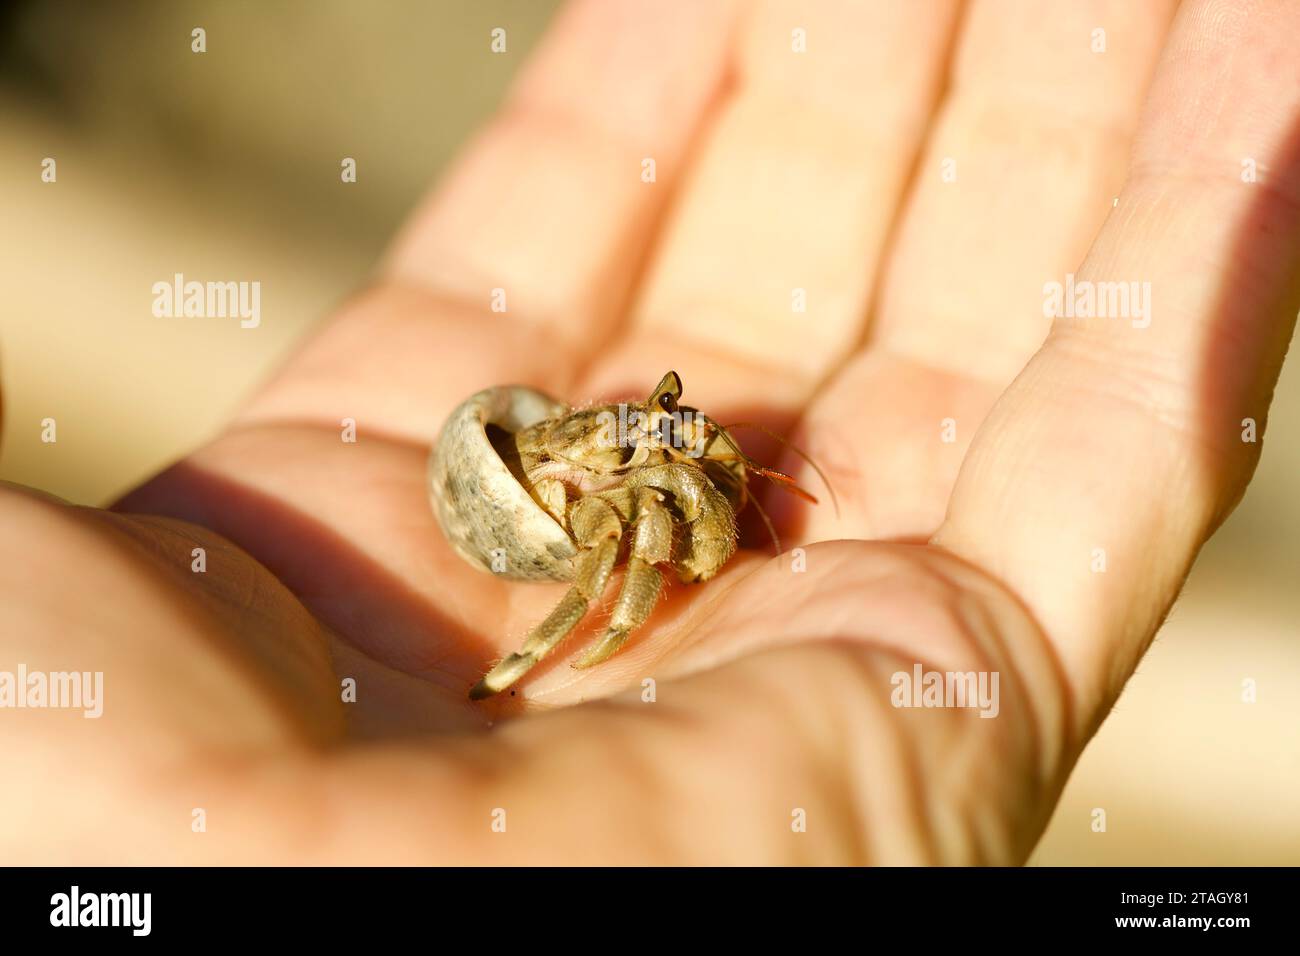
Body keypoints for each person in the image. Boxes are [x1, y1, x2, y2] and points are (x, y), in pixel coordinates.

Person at [2, 0, 1296, 864]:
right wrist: (519, 669)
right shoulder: (595, 483)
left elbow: (672, 463)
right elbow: (629, 524)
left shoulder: (641, 444)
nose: (668, 433)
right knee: (645, 512)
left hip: (538, 459)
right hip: (523, 488)